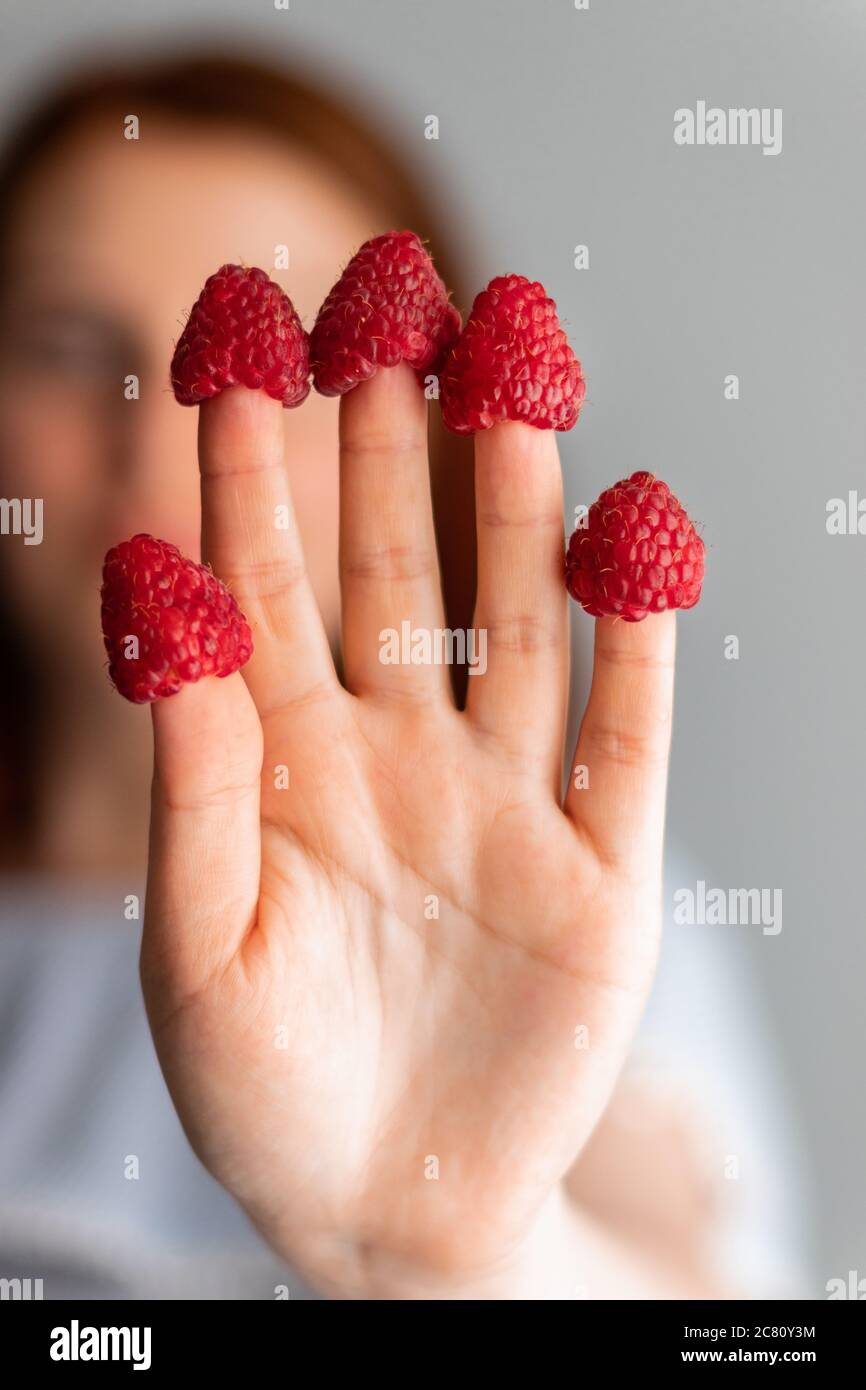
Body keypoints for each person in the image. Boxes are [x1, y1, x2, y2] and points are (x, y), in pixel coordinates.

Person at [0, 53, 807, 1299]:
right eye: (63, 344)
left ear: (421, 426)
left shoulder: (568, 896)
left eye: (299, 366)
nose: (161, 439)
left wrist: (457, 1257)